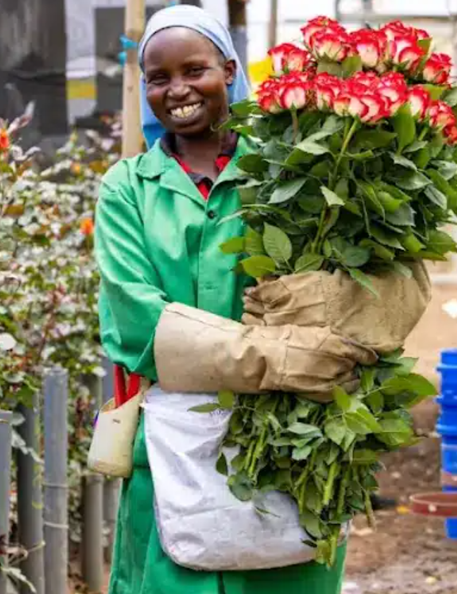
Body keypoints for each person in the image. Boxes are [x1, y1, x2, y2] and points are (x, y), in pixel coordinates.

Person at [95, 6, 357, 593]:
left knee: (285, 568)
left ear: (230, 71)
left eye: (195, 70)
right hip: (173, 441)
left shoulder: (288, 177)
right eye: (158, 78)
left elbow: (334, 296)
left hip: (291, 438)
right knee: (173, 571)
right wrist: (279, 359)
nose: (177, 90)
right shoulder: (127, 189)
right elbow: (138, 322)